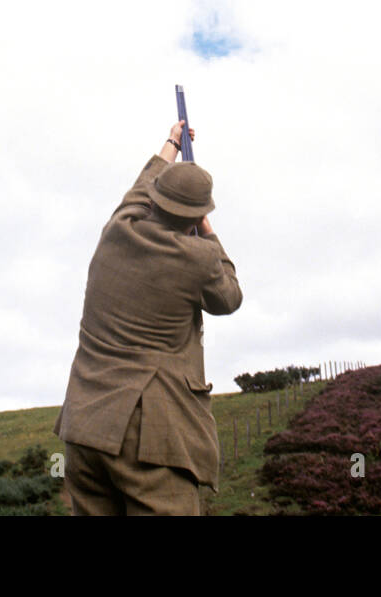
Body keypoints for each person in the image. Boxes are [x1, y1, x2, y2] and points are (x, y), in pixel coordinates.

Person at [53, 119, 242, 515]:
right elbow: (229, 297)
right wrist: (207, 231)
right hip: (147, 437)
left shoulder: (117, 230)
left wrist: (171, 143)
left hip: (83, 427)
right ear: (196, 216)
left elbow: (140, 188)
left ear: (154, 201)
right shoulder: (199, 258)